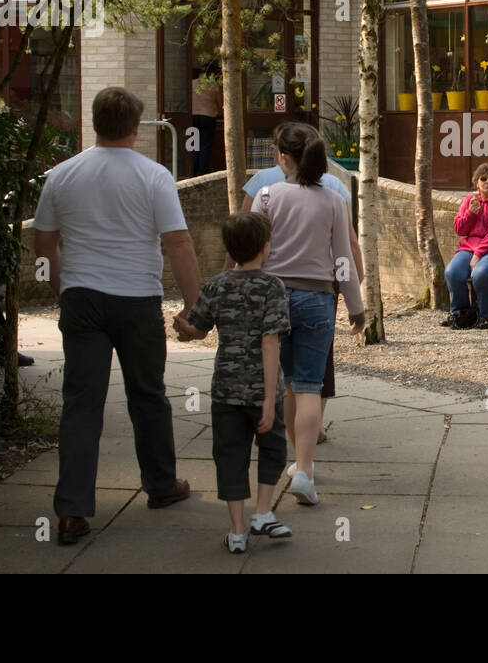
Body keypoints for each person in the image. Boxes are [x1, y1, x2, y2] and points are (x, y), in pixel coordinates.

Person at [33, 87, 201, 545]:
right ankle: (162, 484)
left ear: (93, 122)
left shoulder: (62, 175)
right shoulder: (154, 176)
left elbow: (43, 244)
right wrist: (193, 306)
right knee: (148, 395)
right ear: (134, 128)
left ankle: (70, 512)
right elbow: (179, 243)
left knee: (81, 404)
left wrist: (62, 288)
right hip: (136, 300)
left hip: (83, 300)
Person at [233, 122, 365, 507]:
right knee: (309, 385)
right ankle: (304, 470)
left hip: (273, 298)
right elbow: (343, 258)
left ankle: (294, 462)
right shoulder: (332, 201)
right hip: (317, 299)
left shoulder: (267, 196)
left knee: (289, 383)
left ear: (283, 157)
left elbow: (252, 256)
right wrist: (356, 307)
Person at [175, 212, 292, 554]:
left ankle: (237, 531)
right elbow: (271, 343)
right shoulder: (272, 287)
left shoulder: (217, 284)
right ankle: (263, 512)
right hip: (261, 389)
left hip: (226, 389)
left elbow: (197, 329)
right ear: (266, 248)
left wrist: (184, 331)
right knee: (272, 449)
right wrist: (270, 400)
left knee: (230, 456)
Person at [443, 163, 488, 330]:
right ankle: (460, 314)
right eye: (483, 178)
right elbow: (459, 229)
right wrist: (470, 214)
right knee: (452, 272)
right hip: (469, 247)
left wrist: (478, 255)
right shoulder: (470, 200)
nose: (487, 182)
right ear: (477, 182)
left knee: (480, 273)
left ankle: (484, 316)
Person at [190, 64, 223, 177]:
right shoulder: (214, 86)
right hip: (208, 117)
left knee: (194, 144)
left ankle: (192, 169)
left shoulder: (192, 84)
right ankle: (202, 171)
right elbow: (220, 105)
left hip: (193, 117)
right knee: (205, 144)